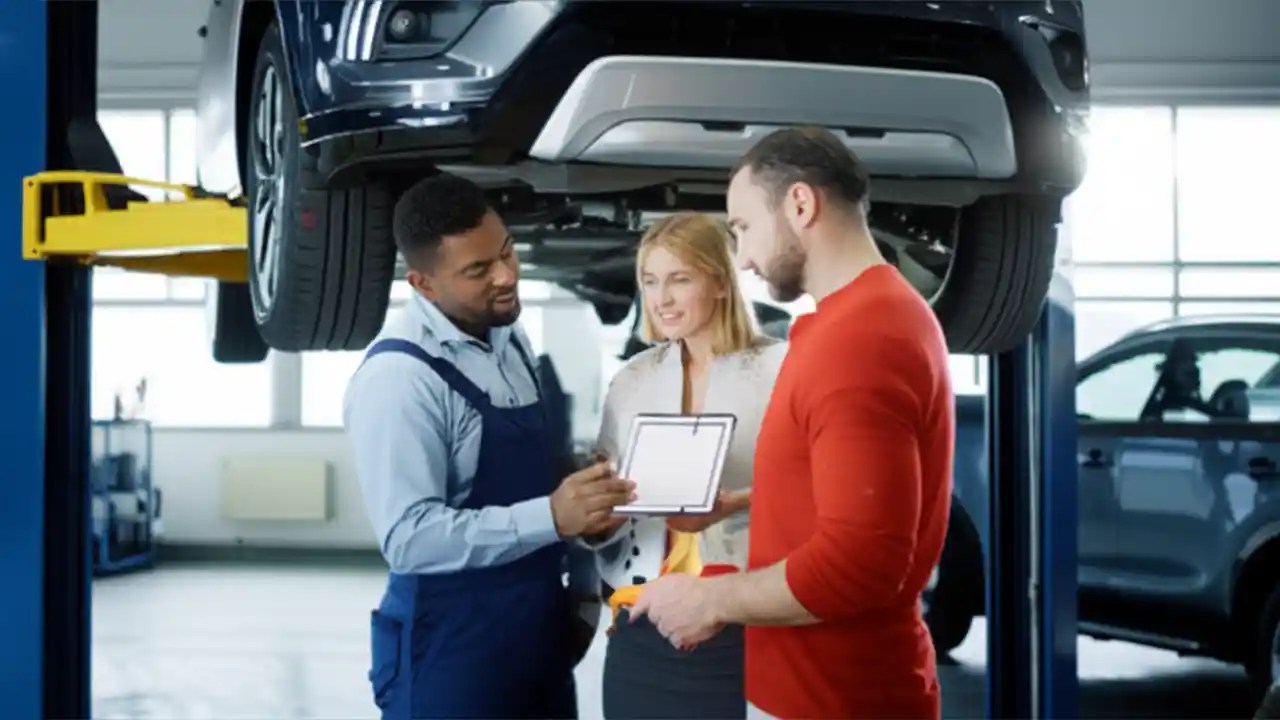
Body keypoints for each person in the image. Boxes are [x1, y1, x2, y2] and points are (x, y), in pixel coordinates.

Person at [629, 126, 955, 720]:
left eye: (744, 228)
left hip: (835, 697)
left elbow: (860, 564)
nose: (745, 256)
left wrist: (711, 599)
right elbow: (851, 498)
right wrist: (752, 502)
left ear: (800, 204)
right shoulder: (862, 318)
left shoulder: (861, 338)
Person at [343, 172, 636, 720]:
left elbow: (529, 474)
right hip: (451, 653)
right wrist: (552, 515)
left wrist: (584, 502)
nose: (506, 277)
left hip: (538, 639)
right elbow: (409, 538)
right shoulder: (400, 380)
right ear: (423, 284)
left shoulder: (507, 333)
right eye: (478, 270)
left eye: (507, 253)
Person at [585, 212, 788, 719]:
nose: (662, 299)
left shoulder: (782, 369)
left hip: (744, 614)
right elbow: (610, 502)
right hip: (643, 616)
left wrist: (732, 505)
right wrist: (599, 520)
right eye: (650, 282)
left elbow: (820, 490)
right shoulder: (633, 380)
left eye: (680, 279)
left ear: (720, 282)